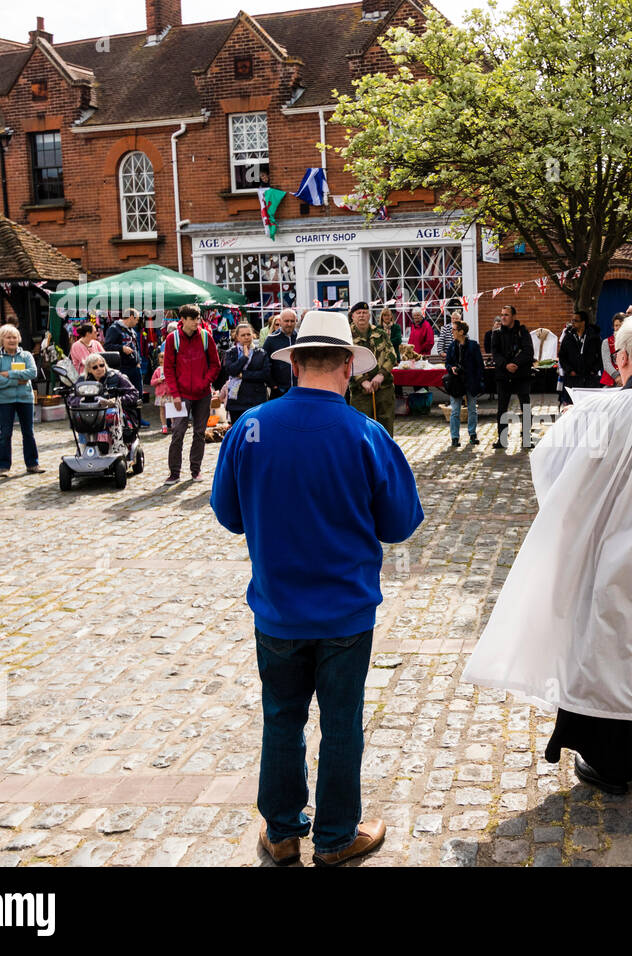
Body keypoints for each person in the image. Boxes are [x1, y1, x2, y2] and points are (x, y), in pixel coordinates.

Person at [463, 313, 632, 799]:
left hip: (610, 555)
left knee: (608, 647)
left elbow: (556, 477)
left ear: (619, 358)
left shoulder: (594, 414)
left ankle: (608, 760)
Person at [210, 309, 423, 867]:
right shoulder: (367, 433)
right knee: (342, 720)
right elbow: (400, 524)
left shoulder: (250, 425)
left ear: (295, 362)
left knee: (282, 716)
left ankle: (281, 831)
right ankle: (333, 837)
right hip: (346, 611)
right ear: (348, 366)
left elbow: (228, 515)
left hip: (278, 607)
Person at [162, 304, 222, 483]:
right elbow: (168, 369)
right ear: (183, 320)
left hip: (202, 394)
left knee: (199, 433)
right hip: (180, 395)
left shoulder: (206, 337)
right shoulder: (173, 339)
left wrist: (205, 382)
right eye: (193, 319)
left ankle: (195, 470)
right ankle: (174, 473)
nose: (197, 322)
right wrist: (175, 394)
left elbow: (215, 365)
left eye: (198, 318)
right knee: (177, 433)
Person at [0, 324, 41, 477]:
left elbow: (32, 373)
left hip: (25, 398)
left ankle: (32, 464)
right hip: (4, 400)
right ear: (1, 340)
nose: (12, 340)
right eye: (8, 337)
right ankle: (3, 467)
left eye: (14, 337)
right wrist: (17, 380)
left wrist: (8, 374)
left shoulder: (26, 355)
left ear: (19, 339)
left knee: (28, 432)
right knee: (5, 433)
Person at [347, 301, 397, 437]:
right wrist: (362, 380)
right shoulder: (347, 337)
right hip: (360, 392)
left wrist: (381, 375)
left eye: (364, 313)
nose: (362, 316)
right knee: (361, 430)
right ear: (352, 316)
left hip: (384, 388)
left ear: (369, 315)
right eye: (358, 313)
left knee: (385, 428)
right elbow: (345, 362)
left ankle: (385, 457)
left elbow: (392, 355)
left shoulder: (380, 333)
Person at [491, 304, 535, 449]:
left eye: (506, 315)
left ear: (513, 317)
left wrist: (515, 363)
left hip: (521, 375)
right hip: (503, 376)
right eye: (502, 314)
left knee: (526, 407)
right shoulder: (496, 334)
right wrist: (505, 365)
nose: (503, 317)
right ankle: (502, 439)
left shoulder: (523, 332)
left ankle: (527, 438)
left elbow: (528, 352)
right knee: (502, 408)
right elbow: (495, 354)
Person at [222, 322, 272, 424]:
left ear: (253, 335)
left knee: (256, 434)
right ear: (237, 337)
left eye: (248, 334)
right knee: (238, 433)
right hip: (236, 402)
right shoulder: (231, 353)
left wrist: (243, 375)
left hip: (256, 400)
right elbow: (231, 370)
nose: (246, 337)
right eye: (243, 335)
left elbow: (265, 375)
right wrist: (244, 357)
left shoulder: (261, 353)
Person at [79, 352, 141, 434]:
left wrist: (117, 401)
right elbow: (72, 398)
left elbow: (134, 393)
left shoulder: (116, 376)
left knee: (110, 416)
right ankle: (84, 446)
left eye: (101, 365)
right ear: (89, 369)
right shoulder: (83, 380)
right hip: (92, 413)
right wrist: (92, 401)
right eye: (95, 367)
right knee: (79, 419)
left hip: (117, 412)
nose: (99, 368)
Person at [445, 319, 484, 447]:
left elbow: (479, 365)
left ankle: (472, 434)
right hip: (456, 382)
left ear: (461, 332)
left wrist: (479, 381)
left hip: (471, 381)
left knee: (472, 409)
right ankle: (454, 437)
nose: (452, 332)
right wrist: (451, 368)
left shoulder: (473, 345)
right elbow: (448, 363)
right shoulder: (452, 346)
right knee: (455, 411)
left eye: (454, 329)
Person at [105, 309, 146, 423]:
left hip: (134, 367)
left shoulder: (131, 330)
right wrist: (121, 348)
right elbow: (107, 346)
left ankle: (138, 418)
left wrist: (138, 361)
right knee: (127, 394)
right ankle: (128, 419)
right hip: (124, 368)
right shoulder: (114, 329)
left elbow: (135, 346)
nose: (138, 322)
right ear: (131, 317)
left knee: (138, 394)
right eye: (137, 319)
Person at [557, 309, 603, 407]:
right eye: (572, 321)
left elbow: (601, 356)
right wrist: (569, 370)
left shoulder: (594, 337)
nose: (572, 323)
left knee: (590, 406)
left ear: (583, 322)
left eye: (575, 321)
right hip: (573, 378)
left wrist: (594, 370)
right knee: (573, 406)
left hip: (590, 379)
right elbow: (562, 356)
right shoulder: (568, 337)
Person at [263, 308, 299, 398]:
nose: (289, 324)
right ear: (280, 321)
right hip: (279, 390)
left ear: (296, 321)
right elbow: (264, 364)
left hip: (298, 389)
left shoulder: (300, 338)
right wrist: (273, 385)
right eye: (286, 321)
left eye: (292, 321)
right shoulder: (271, 339)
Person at [600, 313, 625, 386]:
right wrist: (617, 377)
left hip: (628, 378)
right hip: (611, 380)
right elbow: (606, 363)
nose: (618, 328)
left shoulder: (630, 342)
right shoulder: (606, 342)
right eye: (616, 325)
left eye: (621, 325)